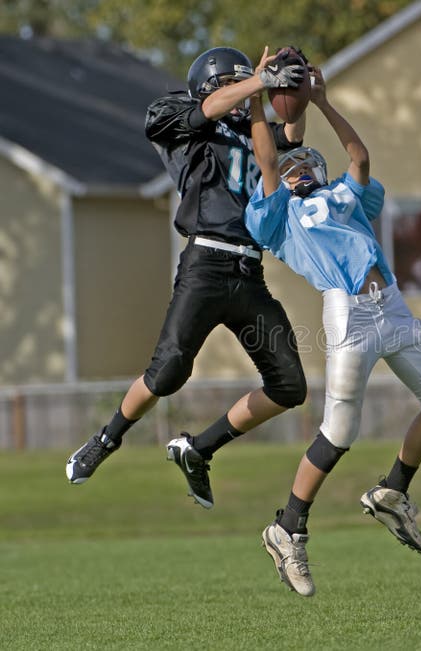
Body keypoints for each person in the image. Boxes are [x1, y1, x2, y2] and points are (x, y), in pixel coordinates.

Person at [245, 67, 421, 597]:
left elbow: (359, 158)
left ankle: (392, 492)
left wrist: (321, 101)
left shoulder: (345, 194)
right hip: (349, 316)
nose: (295, 171)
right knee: (339, 431)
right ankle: (287, 527)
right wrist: (255, 98)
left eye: (304, 163)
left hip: (392, 305)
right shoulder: (281, 218)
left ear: (318, 168)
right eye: (288, 169)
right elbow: (268, 160)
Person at [65, 46, 310, 509]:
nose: (241, 94)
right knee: (168, 373)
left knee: (290, 386)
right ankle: (106, 439)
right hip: (206, 265)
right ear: (209, 84)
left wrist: (303, 92)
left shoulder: (248, 125)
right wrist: (258, 81)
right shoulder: (174, 114)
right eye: (233, 83)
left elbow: (291, 136)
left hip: (249, 272)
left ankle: (198, 450)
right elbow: (207, 111)